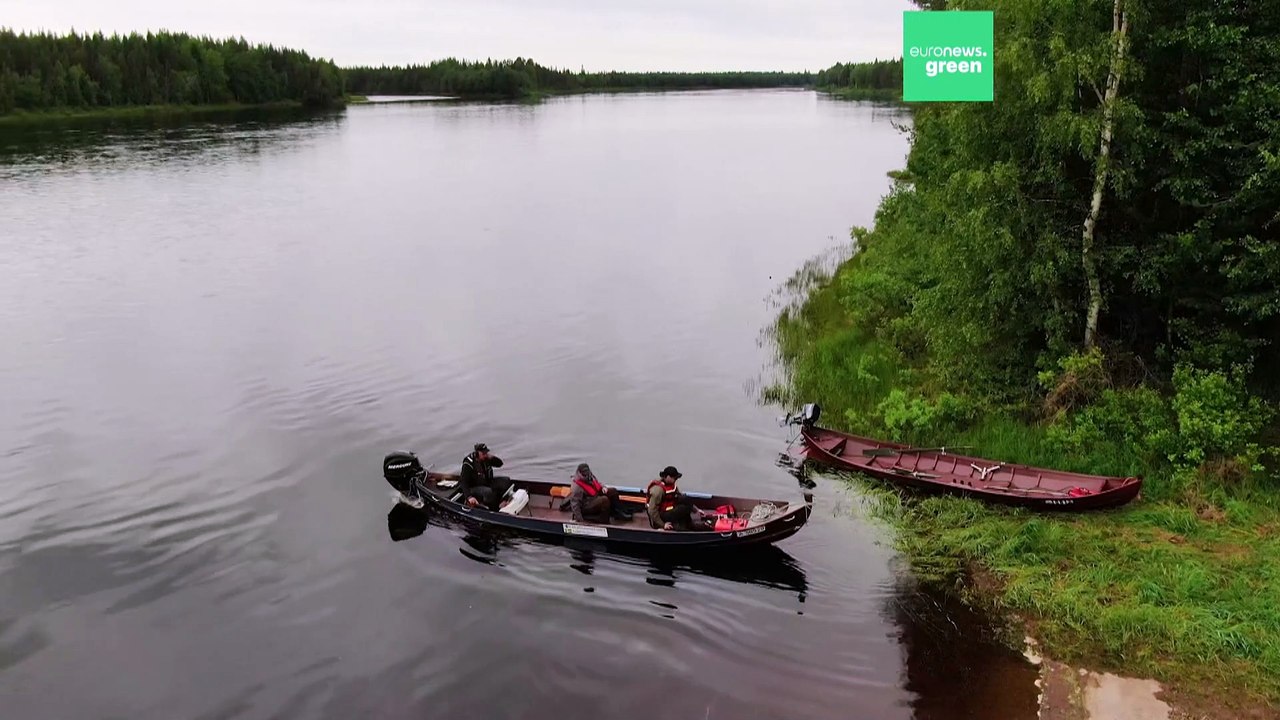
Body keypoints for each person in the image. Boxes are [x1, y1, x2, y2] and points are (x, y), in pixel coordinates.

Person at [647, 466, 705, 531]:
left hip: (670, 509)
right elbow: (652, 511)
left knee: (686, 499)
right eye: (675, 478)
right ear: (668, 477)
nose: (676, 480)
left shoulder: (671, 485)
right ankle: (682, 528)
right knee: (683, 508)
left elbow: (680, 497)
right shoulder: (658, 491)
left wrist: (696, 510)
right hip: (662, 515)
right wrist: (663, 525)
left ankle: (689, 525)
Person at [459, 443, 511, 511]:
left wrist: (492, 458)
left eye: (486, 453)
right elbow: (463, 481)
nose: (485, 455)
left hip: (486, 481)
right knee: (488, 492)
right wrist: (469, 497)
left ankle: (502, 501)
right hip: (473, 487)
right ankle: (494, 510)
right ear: (477, 453)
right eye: (483, 453)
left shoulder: (486, 459)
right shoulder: (468, 463)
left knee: (506, 481)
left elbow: (500, 464)